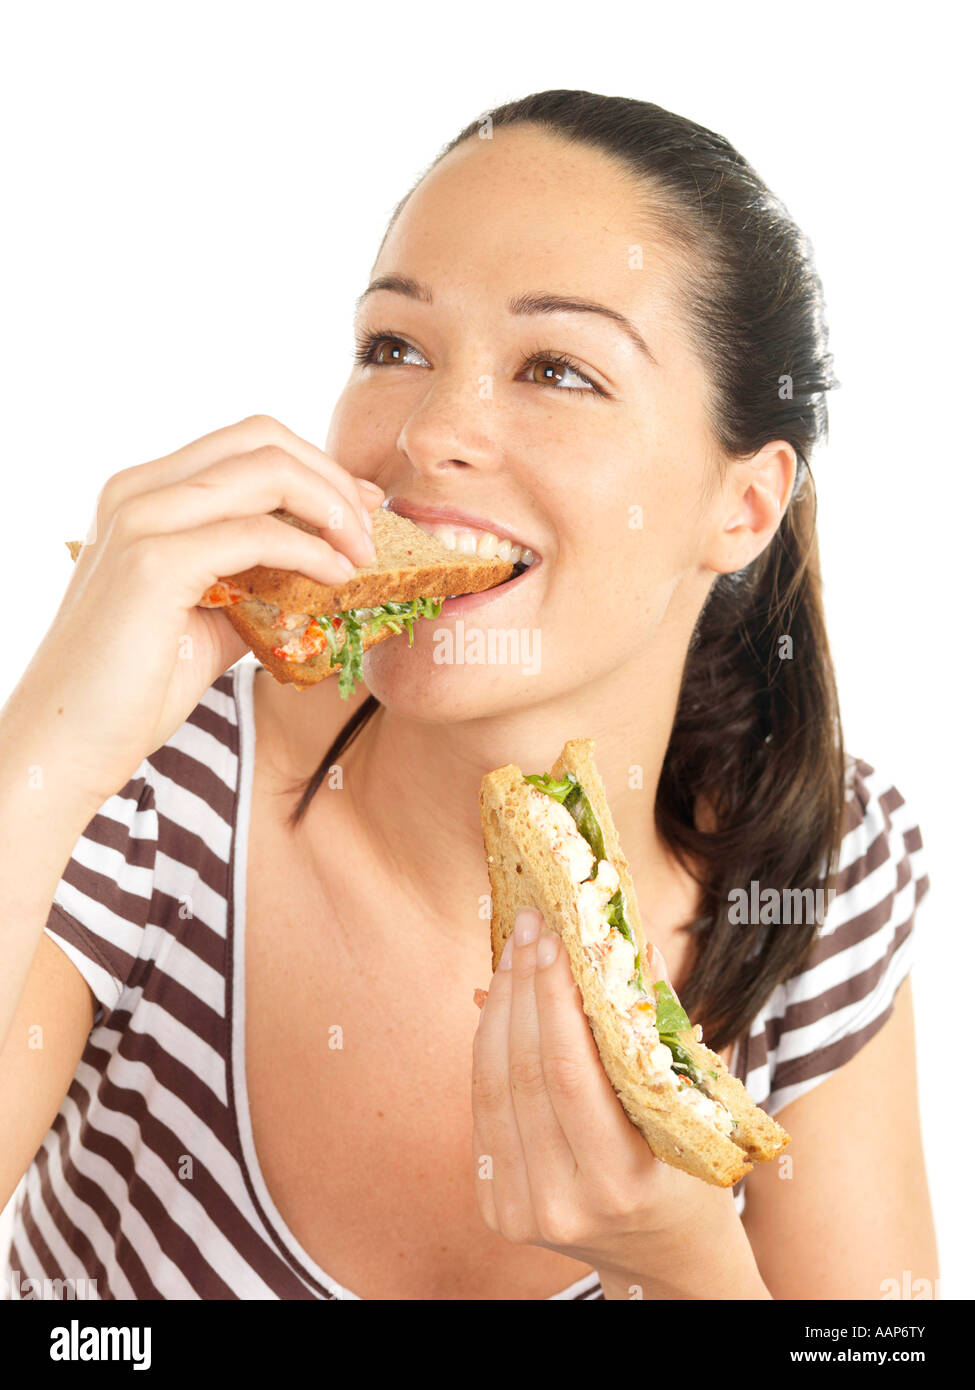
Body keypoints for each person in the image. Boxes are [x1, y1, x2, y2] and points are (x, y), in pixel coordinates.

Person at [0, 90, 936, 1301]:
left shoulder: (818, 859)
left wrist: (690, 1261)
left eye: (557, 368)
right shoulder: (147, 790)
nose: (434, 430)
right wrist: (43, 755)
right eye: (394, 348)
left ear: (741, 506)